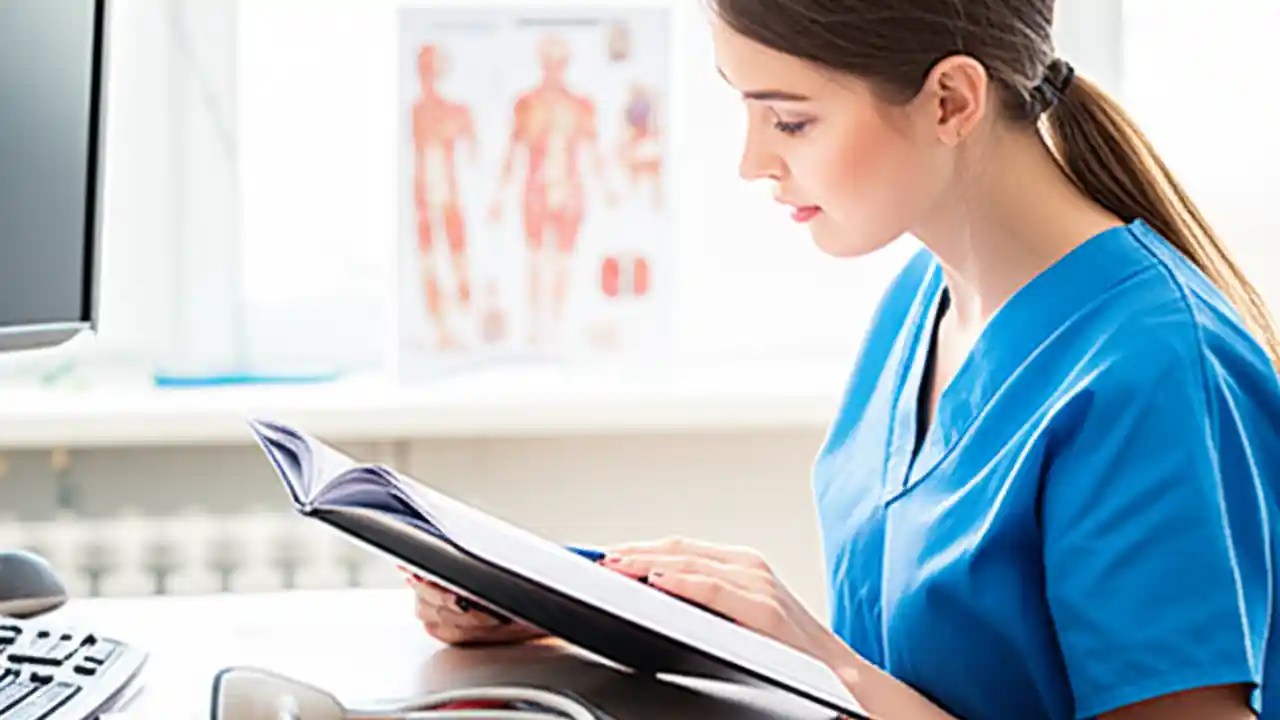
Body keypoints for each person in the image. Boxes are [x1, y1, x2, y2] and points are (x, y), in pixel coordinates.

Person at [407, 2, 1280, 718]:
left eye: (790, 118)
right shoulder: (922, 301)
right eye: (744, 109)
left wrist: (823, 659)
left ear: (950, 102)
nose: (753, 161)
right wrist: (580, 608)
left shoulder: (1157, 372)